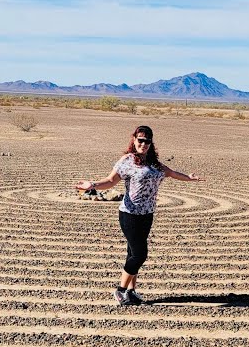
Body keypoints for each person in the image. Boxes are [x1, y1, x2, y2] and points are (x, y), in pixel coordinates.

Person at [75, 125, 203, 305]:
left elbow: (172, 173)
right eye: (140, 140)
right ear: (134, 140)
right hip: (130, 214)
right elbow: (111, 181)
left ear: (151, 143)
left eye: (147, 141)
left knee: (132, 253)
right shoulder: (127, 161)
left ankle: (131, 291)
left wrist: (189, 178)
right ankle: (120, 290)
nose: (143, 144)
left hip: (147, 215)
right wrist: (93, 185)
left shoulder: (155, 164)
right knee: (140, 254)